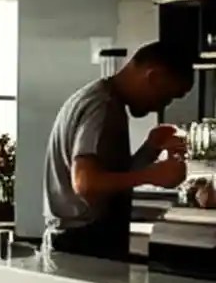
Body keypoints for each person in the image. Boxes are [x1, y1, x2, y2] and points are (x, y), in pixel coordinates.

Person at [44, 41, 194, 261]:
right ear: (152, 77)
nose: (162, 106)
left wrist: (150, 149)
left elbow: (109, 181)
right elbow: (87, 184)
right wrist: (153, 175)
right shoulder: (102, 106)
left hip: (80, 239)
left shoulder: (104, 100)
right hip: (82, 242)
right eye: (166, 96)